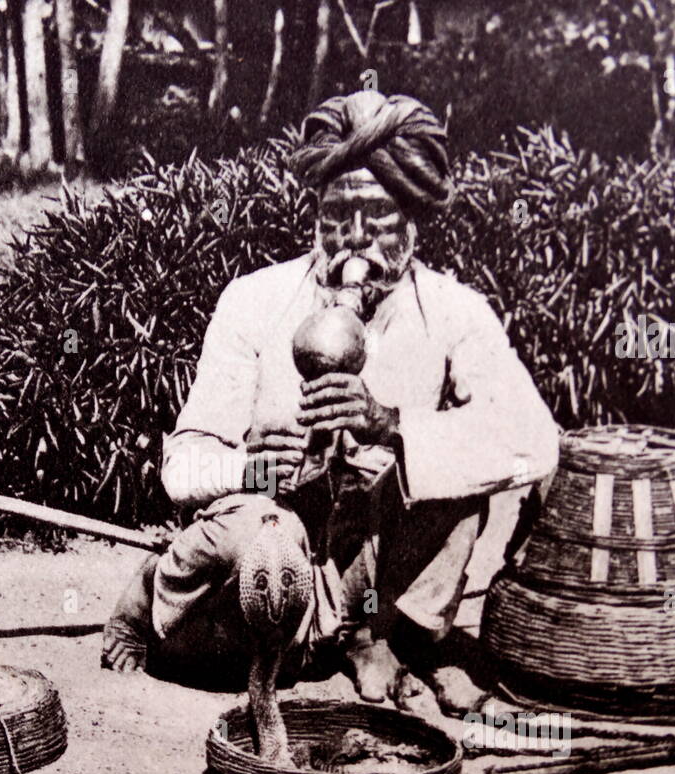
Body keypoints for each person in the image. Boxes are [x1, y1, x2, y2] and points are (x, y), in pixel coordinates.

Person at [102, 89, 559, 706]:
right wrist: (252, 466)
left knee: (454, 484)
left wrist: (392, 426)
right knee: (256, 549)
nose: (356, 240)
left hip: (369, 573)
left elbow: (535, 441)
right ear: (315, 214)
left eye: (379, 218)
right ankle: (150, 599)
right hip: (276, 548)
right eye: (339, 217)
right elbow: (181, 468)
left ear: (413, 221)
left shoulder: (454, 311)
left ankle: (378, 638)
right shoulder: (255, 299)